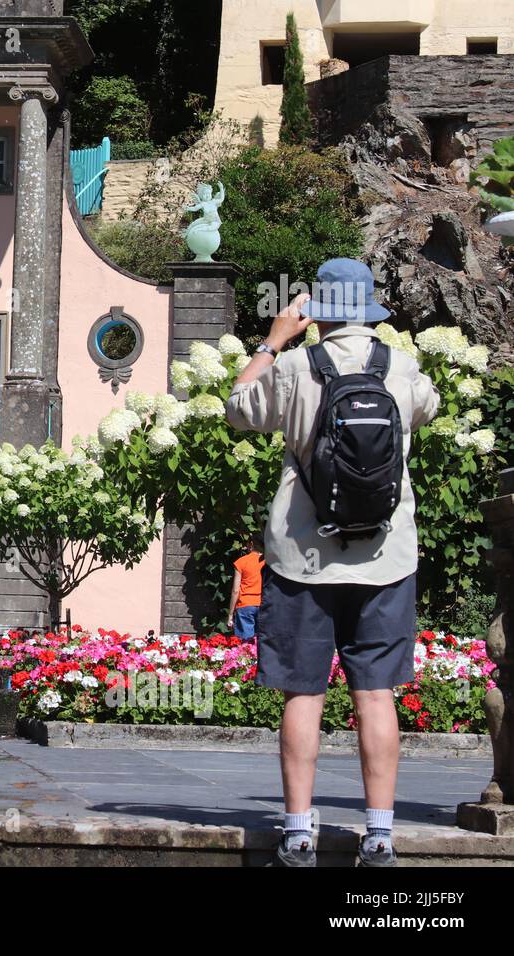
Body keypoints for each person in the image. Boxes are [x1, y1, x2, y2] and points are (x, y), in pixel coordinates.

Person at [225, 258, 439, 868]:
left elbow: (240, 410)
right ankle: (379, 833)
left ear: (316, 310)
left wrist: (272, 340)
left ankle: (297, 830)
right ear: (370, 311)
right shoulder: (399, 366)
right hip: (385, 559)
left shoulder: (294, 366)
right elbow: (426, 408)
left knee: (303, 693)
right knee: (376, 694)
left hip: (303, 560)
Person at [227, 534, 265, 639]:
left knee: (246, 645)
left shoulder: (241, 562)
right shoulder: (267, 562)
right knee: (262, 642)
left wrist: (230, 614)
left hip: (245, 605)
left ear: (251, 544)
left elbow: (235, 590)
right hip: (263, 604)